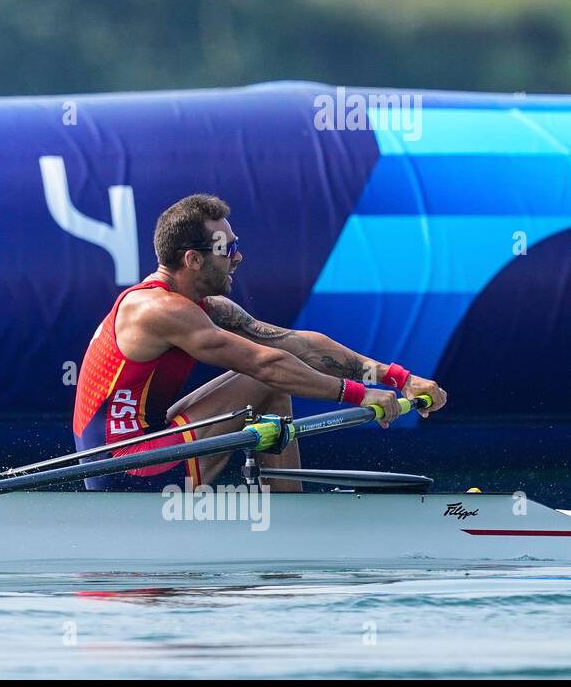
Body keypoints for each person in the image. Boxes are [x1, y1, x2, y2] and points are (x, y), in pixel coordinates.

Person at [73, 194, 446, 492]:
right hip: (127, 472)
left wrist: (399, 378)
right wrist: (359, 395)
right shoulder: (158, 309)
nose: (238, 257)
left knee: (273, 383)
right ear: (193, 260)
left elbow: (299, 345)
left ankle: (283, 519)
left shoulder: (205, 307)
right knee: (268, 377)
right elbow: (265, 365)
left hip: (152, 448)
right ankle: (287, 523)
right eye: (227, 249)